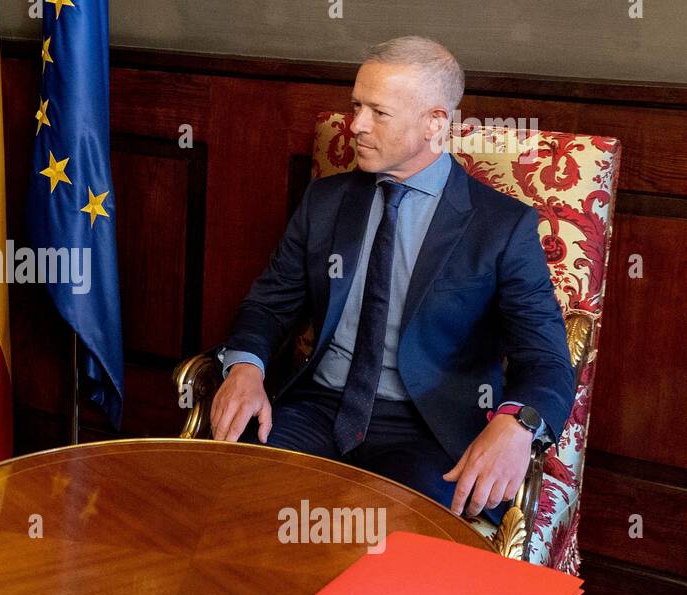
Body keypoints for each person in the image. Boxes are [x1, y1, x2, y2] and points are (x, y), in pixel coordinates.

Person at [210, 36, 574, 523]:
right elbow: (268, 304)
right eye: (355, 106)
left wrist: (517, 423)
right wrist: (246, 368)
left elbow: (546, 359)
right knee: (220, 500)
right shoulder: (327, 201)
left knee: (386, 549)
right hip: (318, 407)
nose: (355, 126)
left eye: (378, 113)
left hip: (426, 429)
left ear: (435, 122)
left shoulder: (501, 227)